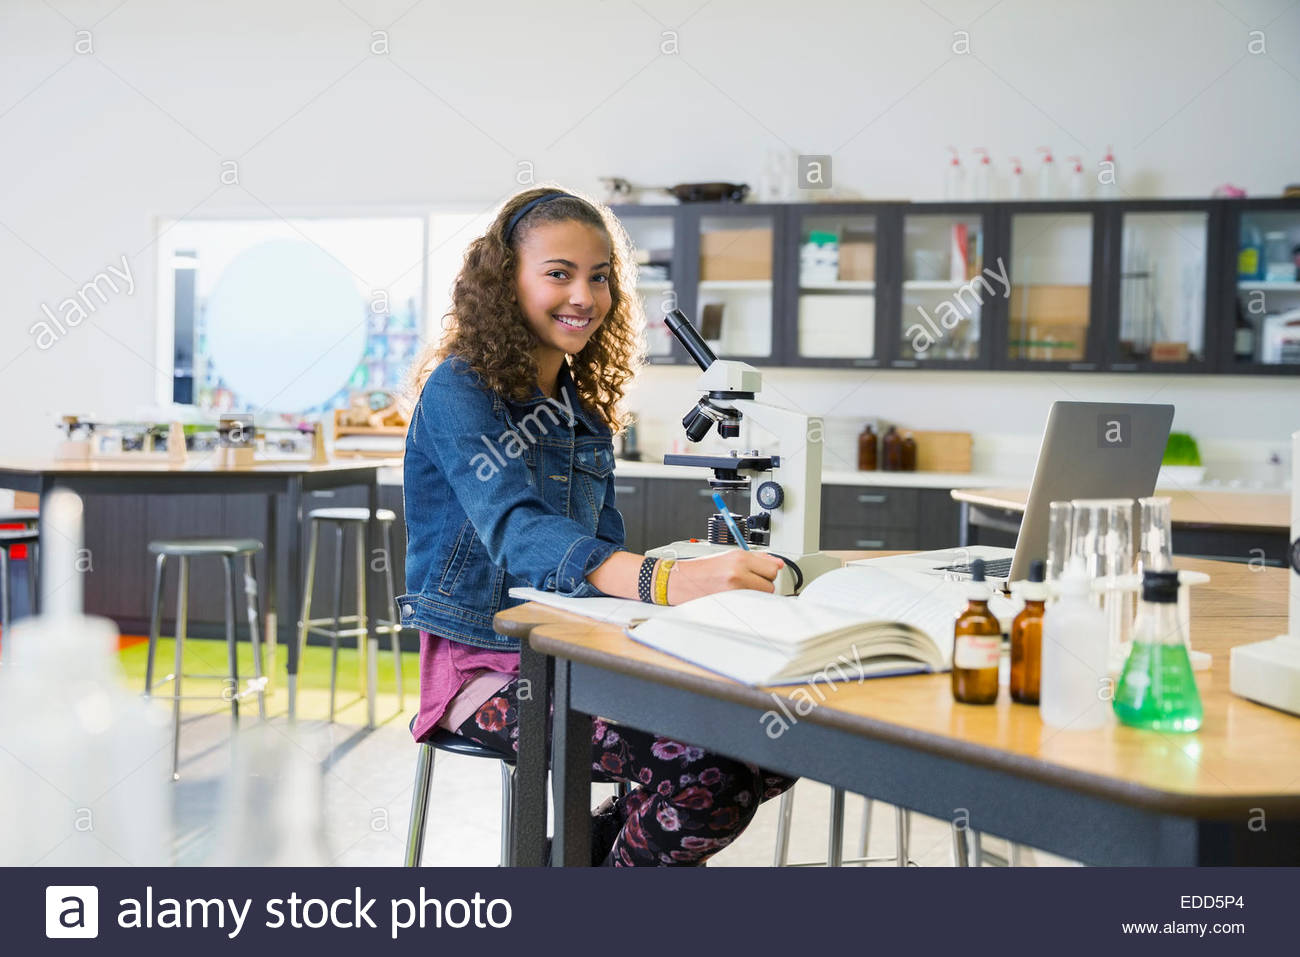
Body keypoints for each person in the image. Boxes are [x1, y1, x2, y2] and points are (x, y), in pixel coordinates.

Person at [400, 186, 795, 866]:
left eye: (600, 276)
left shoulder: (579, 409)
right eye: (559, 273)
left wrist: (698, 594)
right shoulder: (458, 389)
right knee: (709, 779)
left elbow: (601, 553)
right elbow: (518, 531)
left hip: (574, 659)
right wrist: (669, 579)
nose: (583, 294)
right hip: (487, 676)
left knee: (774, 744)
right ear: (506, 281)